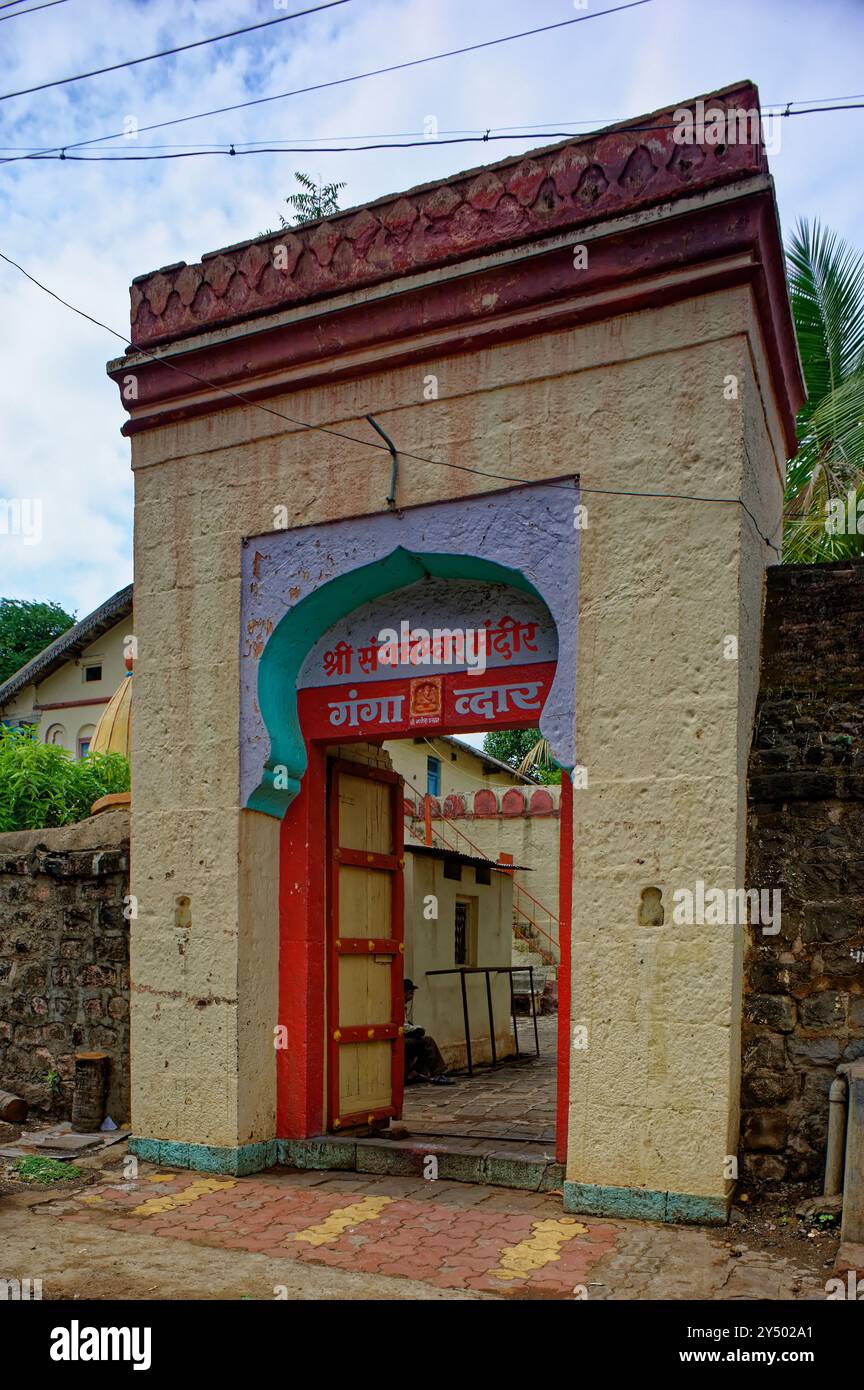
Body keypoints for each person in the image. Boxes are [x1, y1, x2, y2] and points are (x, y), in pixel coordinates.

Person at [403, 979, 454, 1085]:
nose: (412, 993)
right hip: (400, 1039)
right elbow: (403, 1027)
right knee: (427, 1042)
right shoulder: (398, 1005)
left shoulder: (403, 1007)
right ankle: (439, 1073)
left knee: (422, 1043)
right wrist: (416, 1029)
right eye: (409, 991)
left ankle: (414, 1073)